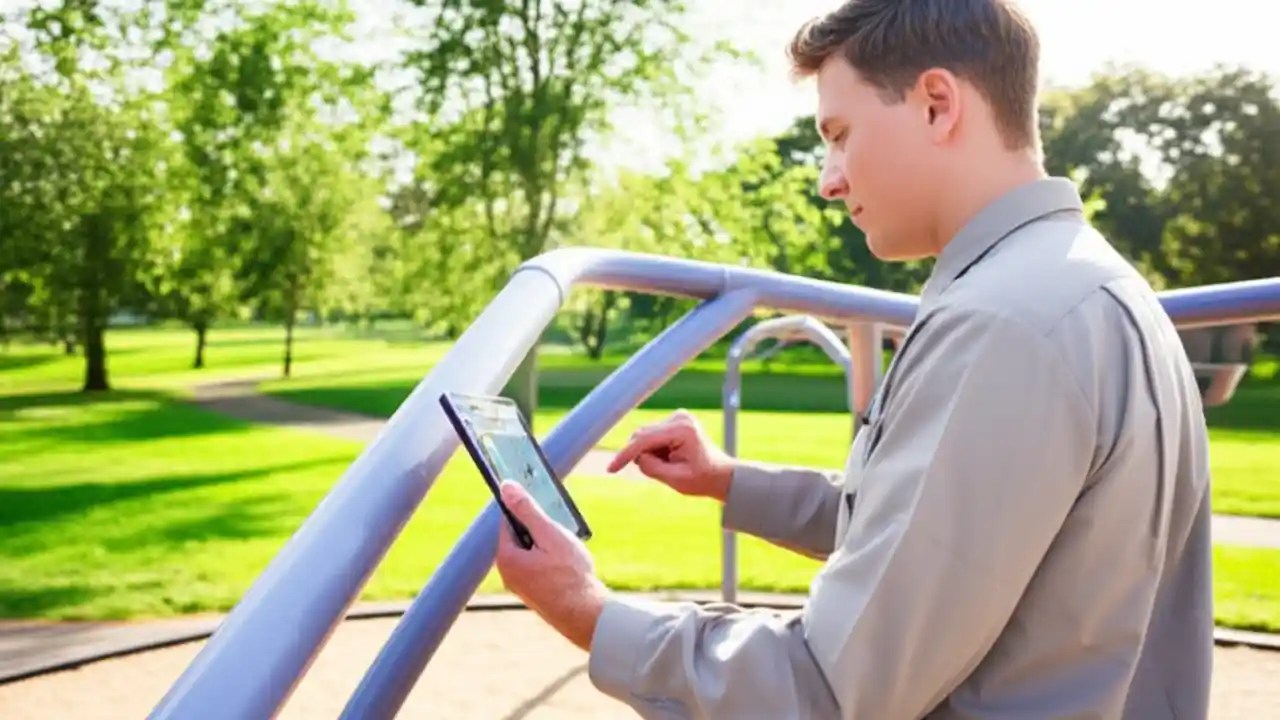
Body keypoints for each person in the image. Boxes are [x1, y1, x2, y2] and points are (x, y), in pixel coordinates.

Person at [493, 0, 1214, 717]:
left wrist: (586, 610)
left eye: (839, 135)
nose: (828, 180)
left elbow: (829, 690)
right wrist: (731, 482)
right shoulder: (1095, 288)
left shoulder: (1001, 324)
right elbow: (939, 541)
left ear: (936, 104)